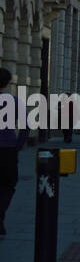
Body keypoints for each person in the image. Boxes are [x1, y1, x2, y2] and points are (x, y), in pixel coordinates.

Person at [0, 68, 27, 235]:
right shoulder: (14, 101)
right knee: (8, 184)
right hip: (8, 150)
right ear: (7, 83)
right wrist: (18, 146)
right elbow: (25, 127)